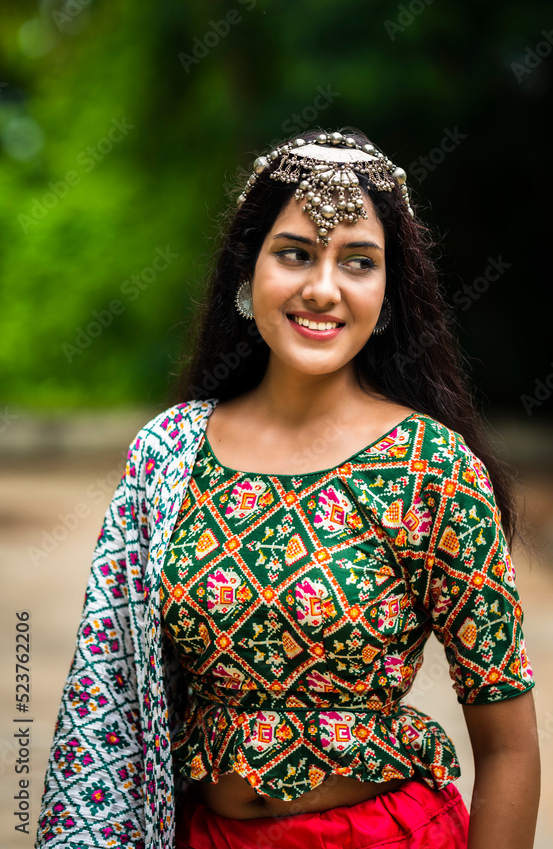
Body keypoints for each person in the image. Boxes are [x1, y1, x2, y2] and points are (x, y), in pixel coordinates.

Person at [36, 127, 540, 849]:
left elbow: (508, 747)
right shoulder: (167, 455)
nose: (322, 288)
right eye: (295, 253)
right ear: (248, 273)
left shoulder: (432, 470)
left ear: (388, 293)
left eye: (358, 262)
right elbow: (109, 702)